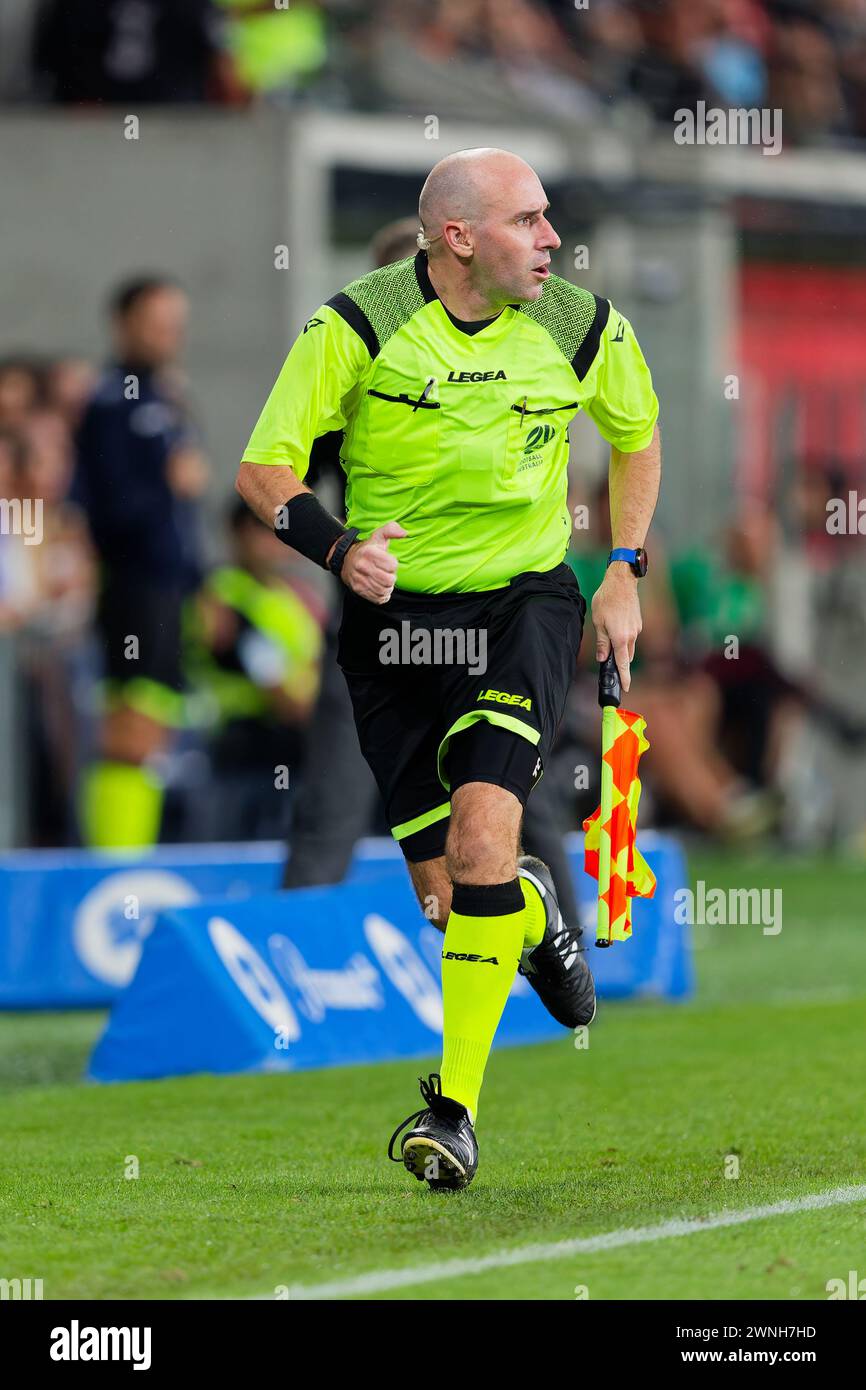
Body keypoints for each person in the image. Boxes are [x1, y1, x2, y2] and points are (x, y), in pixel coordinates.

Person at [236, 147, 660, 1190]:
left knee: (481, 832)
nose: (550, 240)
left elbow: (637, 436)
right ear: (458, 238)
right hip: (390, 624)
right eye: (527, 220)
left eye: (548, 217)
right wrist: (338, 549)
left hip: (519, 608)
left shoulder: (579, 325)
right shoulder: (360, 324)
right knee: (446, 890)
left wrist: (621, 568)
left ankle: (453, 1111)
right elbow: (262, 470)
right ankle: (531, 915)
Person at [72, 276, 209, 849]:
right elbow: (104, 506)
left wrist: (199, 582)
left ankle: (131, 848)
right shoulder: (112, 399)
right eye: (156, 323)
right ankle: (114, 858)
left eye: (175, 323)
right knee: (132, 723)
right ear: (124, 323)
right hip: (133, 583)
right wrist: (168, 483)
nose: (168, 336)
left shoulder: (162, 396)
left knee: (156, 721)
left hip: (166, 584)